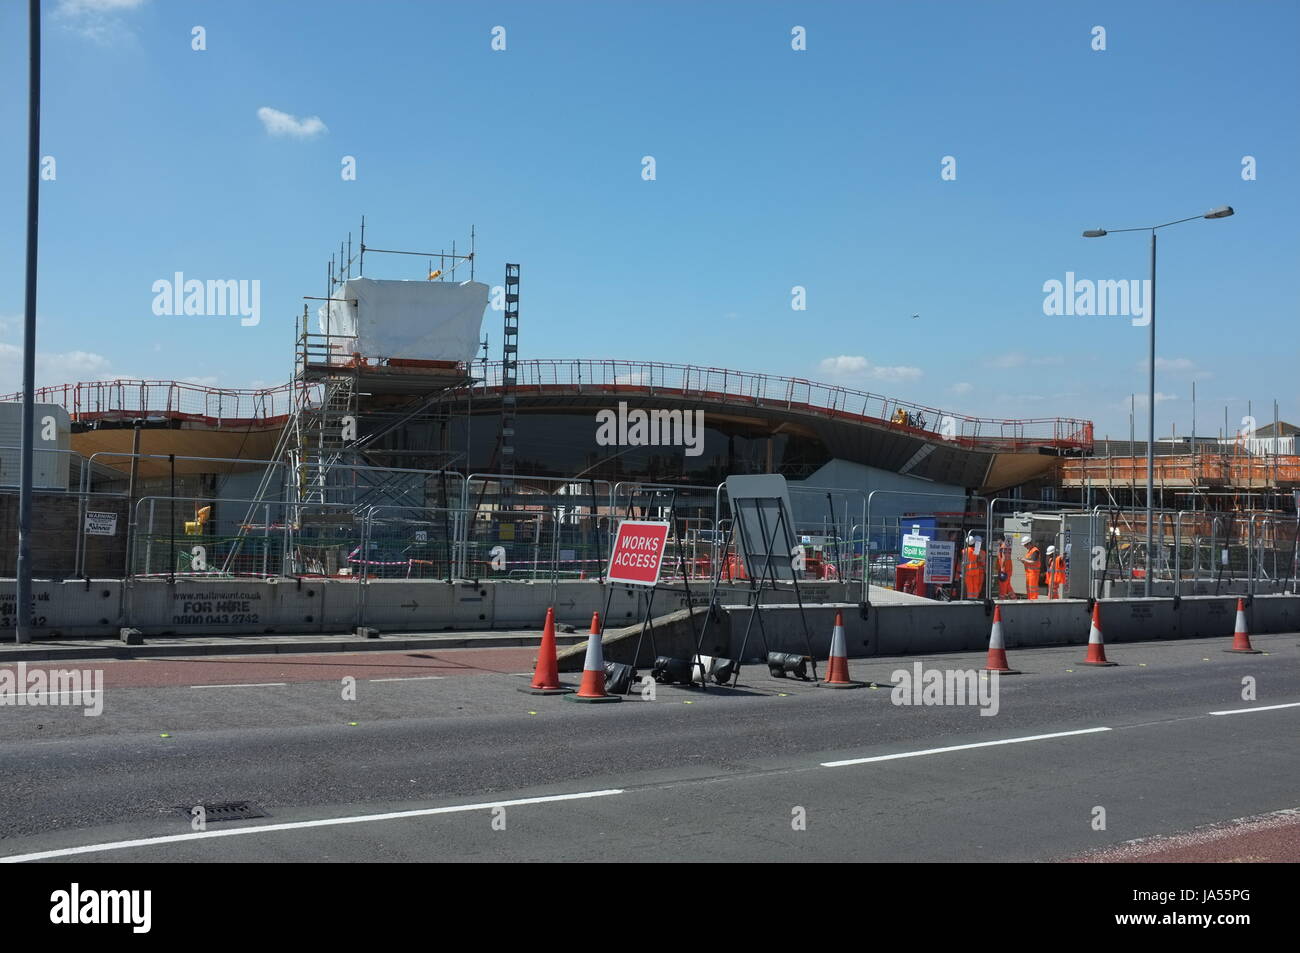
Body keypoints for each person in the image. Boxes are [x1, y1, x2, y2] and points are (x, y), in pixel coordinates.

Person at [962, 534, 984, 599]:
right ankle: (975, 598)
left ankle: (970, 599)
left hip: (968, 572)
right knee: (975, 586)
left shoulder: (964, 551)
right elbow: (979, 560)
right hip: (976, 571)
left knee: (970, 587)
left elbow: (963, 562)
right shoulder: (976, 551)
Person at [1020, 535, 1041, 601]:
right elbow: (1028, 562)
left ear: (1029, 543)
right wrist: (1022, 560)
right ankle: (1030, 601)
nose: (1025, 547)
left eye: (1025, 545)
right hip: (1029, 573)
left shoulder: (1035, 551)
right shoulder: (1030, 551)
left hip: (1033, 574)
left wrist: (1024, 560)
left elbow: (1033, 561)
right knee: (1029, 589)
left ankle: (1033, 601)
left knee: (1033, 590)